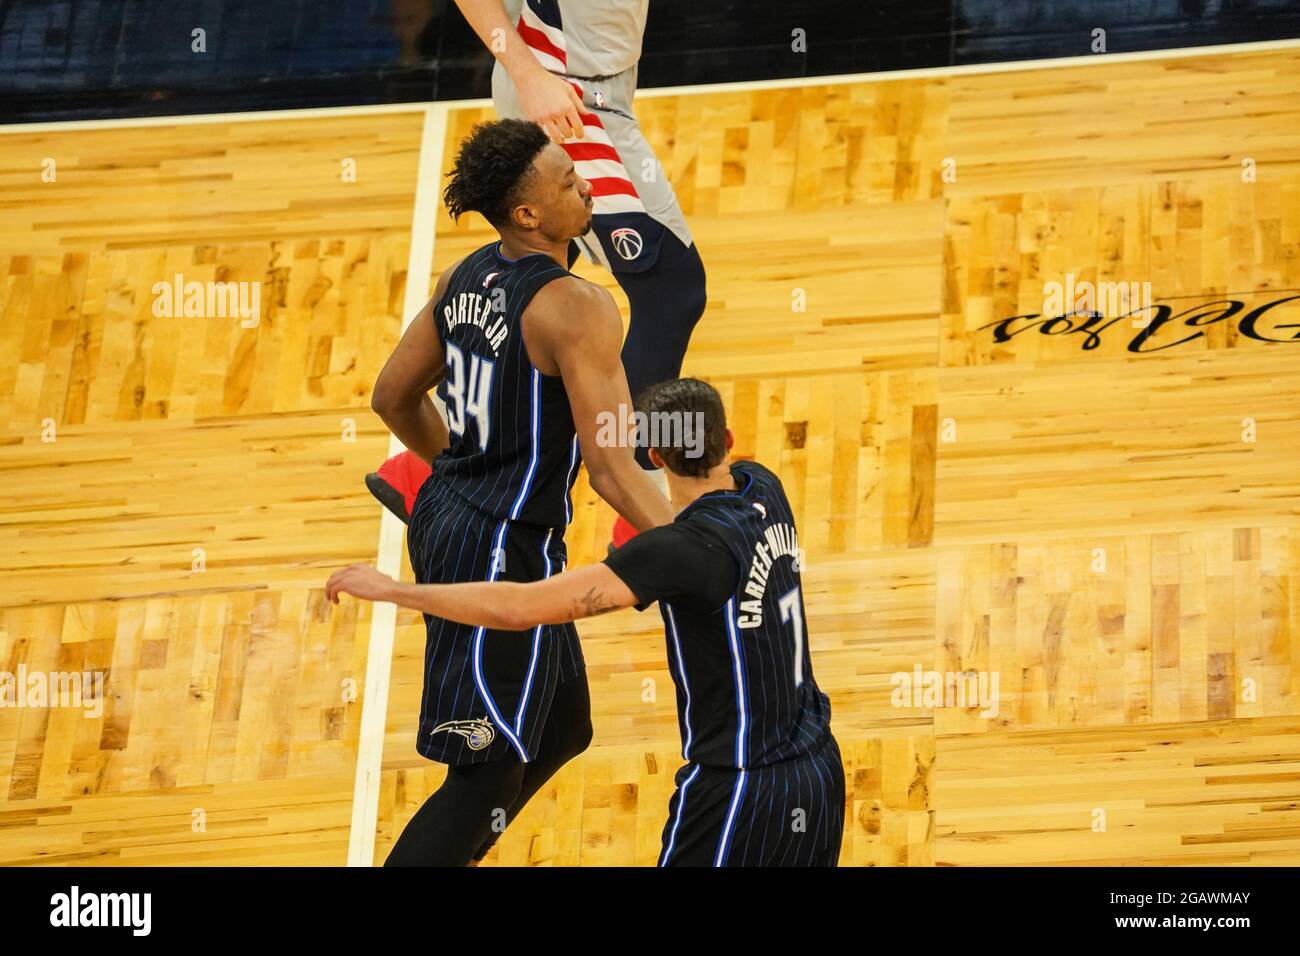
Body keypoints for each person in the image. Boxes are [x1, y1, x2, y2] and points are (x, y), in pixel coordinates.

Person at [332, 378, 845, 866]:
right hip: (820, 770)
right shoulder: (765, 489)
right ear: (728, 440)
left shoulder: (676, 554)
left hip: (739, 794)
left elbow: (519, 608)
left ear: (656, 457)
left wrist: (396, 591)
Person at [370, 117, 674, 866]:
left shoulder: (464, 277)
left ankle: (464, 850)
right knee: (484, 771)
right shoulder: (578, 308)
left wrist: (457, 472)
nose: (586, 186)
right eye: (568, 183)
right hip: (500, 548)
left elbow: (391, 398)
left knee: (564, 727)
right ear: (528, 215)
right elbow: (610, 469)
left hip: (451, 518)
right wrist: (691, 548)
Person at [366, 0, 707, 553]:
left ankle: (432, 466)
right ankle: (639, 493)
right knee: (673, 289)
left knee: (539, 283)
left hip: (596, 80)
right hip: (566, 93)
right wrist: (528, 73)